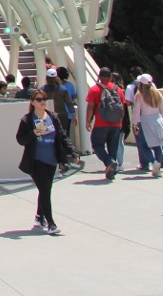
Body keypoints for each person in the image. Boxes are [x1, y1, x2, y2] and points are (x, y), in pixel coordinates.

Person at [16, 89, 76, 235]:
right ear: (32, 102)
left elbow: (62, 135)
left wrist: (72, 152)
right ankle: (51, 223)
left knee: (45, 190)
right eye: (38, 99)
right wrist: (33, 133)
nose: (42, 101)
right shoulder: (27, 119)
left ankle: (39, 216)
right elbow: (20, 139)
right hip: (36, 161)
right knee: (44, 190)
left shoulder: (52, 117)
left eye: (44, 98)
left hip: (51, 160)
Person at [86, 66, 124, 180]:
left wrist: (88, 121)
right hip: (116, 124)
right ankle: (111, 169)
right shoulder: (119, 90)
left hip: (101, 124)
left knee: (97, 145)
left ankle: (109, 162)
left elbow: (91, 106)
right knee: (113, 148)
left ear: (99, 77)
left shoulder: (94, 89)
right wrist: (120, 122)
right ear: (111, 76)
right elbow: (122, 108)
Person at [131, 74, 163, 177]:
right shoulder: (157, 93)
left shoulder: (139, 95)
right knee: (157, 144)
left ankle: (154, 162)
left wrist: (134, 124)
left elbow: (136, 112)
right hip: (158, 120)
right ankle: (157, 164)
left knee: (143, 145)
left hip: (146, 122)